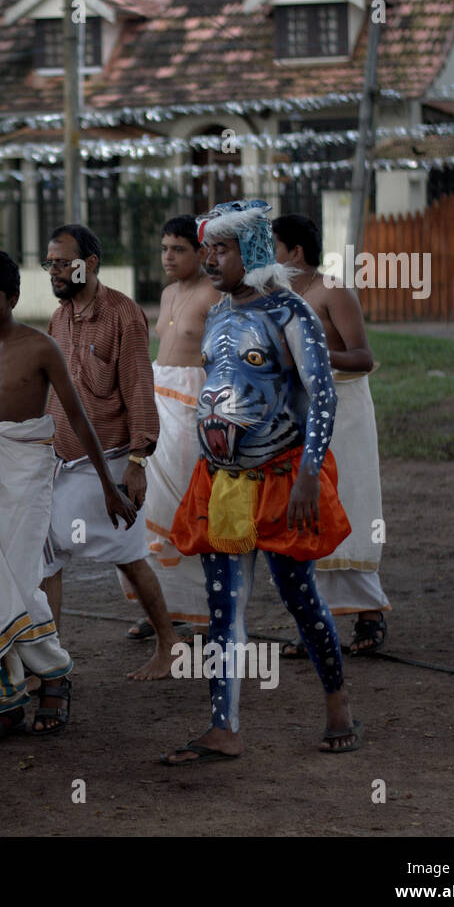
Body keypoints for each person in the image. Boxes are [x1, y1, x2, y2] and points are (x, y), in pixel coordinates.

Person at [162, 199, 360, 765]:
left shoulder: (291, 312)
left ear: (249, 251)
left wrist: (309, 474)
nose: (209, 260)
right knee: (224, 608)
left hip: (282, 478)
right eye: (207, 249)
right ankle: (223, 727)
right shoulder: (220, 312)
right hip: (223, 480)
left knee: (299, 596)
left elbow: (322, 396)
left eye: (219, 250)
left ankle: (338, 703)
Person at [0, 249, 135, 740]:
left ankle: (54, 677)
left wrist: (109, 486)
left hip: (27, 473)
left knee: (21, 580)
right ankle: (3, 698)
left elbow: (78, 418)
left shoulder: (41, 347)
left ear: (13, 297)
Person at [38, 223, 177, 680]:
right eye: (50, 263)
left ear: (90, 263)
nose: (54, 271)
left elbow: (139, 389)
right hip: (61, 463)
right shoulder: (59, 318)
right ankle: (49, 660)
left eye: (63, 263)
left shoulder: (123, 315)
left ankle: (168, 644)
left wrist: (137, 463)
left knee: (128, 556)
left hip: (112, 462)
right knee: (47, 556)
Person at [273, 213, 392, 654]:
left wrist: (312, 353)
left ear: (296, 251)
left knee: (349, 500)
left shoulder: (333, 290)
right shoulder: (276, 295)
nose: (267, 256)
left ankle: (369, 615)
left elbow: (362, 356)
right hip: (298, 412)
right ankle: (313, 622)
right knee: (304, 510)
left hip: (344, 411)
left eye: (273, 247)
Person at [122, 215, 220, 646]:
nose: (168, 257)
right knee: (150, 510)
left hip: (193, 410)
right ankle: (162, 611)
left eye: (178, 249)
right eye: (164, 248)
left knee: (189, 506)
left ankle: (205, 615)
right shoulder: (166, 293)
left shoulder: (216, 294)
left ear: (202, 252)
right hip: (158, 403)